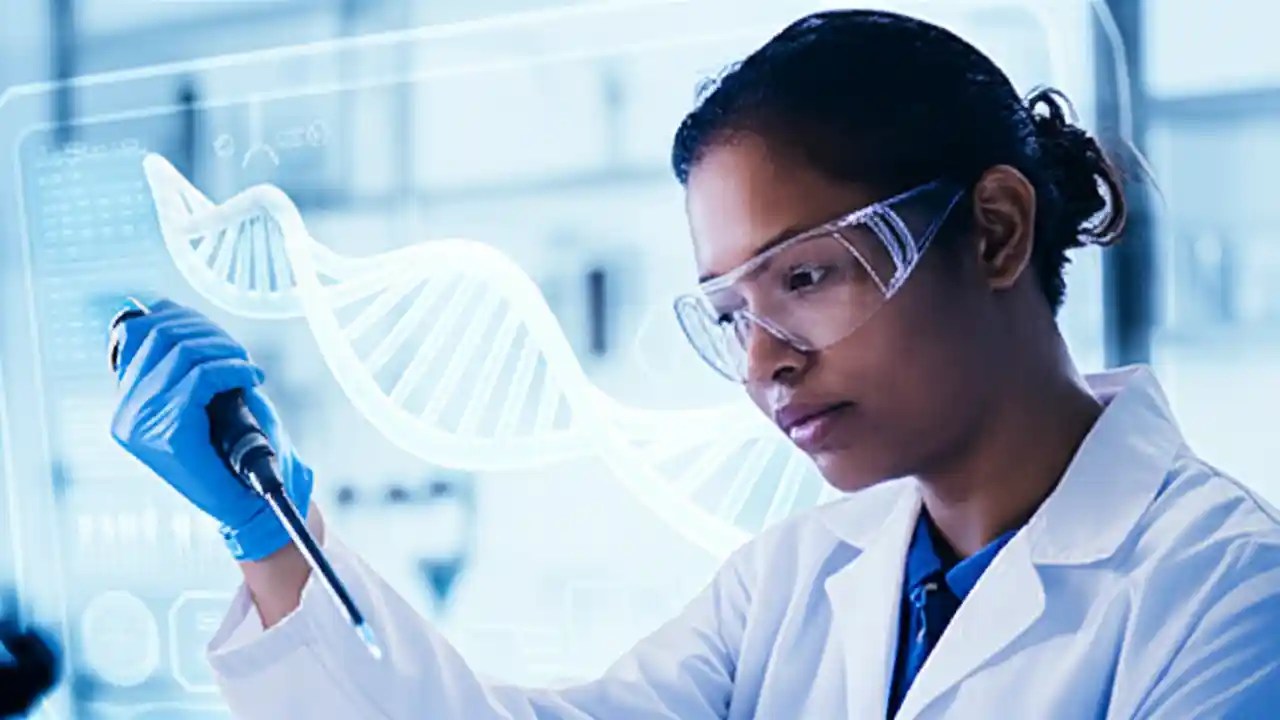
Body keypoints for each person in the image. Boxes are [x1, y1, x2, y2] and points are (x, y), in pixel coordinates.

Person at [110, 10, 1280, 719]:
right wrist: (267, 530)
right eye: (727, 312)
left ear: (994, 231)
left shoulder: (1225, 596)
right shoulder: (791, 581)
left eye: (805, 279)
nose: (761, 362)